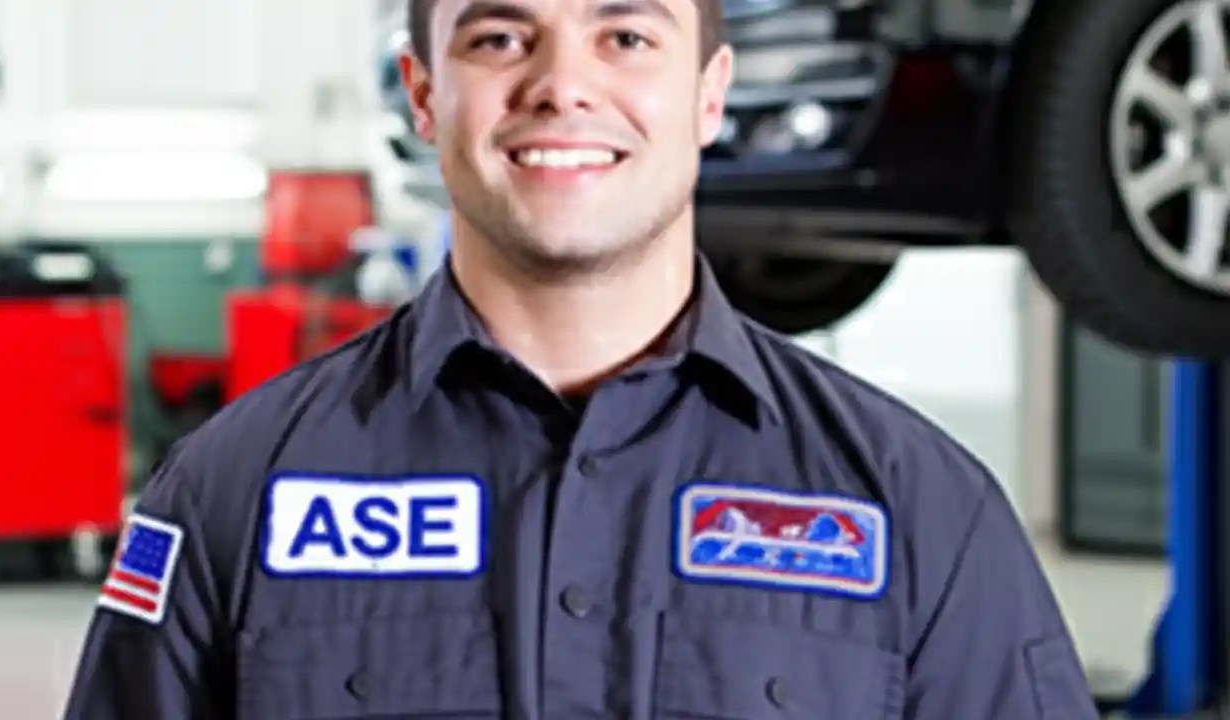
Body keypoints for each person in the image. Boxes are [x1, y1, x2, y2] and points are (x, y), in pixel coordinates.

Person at [62, 0, 1099, 717]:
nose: (562, 86)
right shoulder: (231, 495)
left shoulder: (918, 509)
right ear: (422, 96)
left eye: (625, 36)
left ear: (708, 95)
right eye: (503, 37)